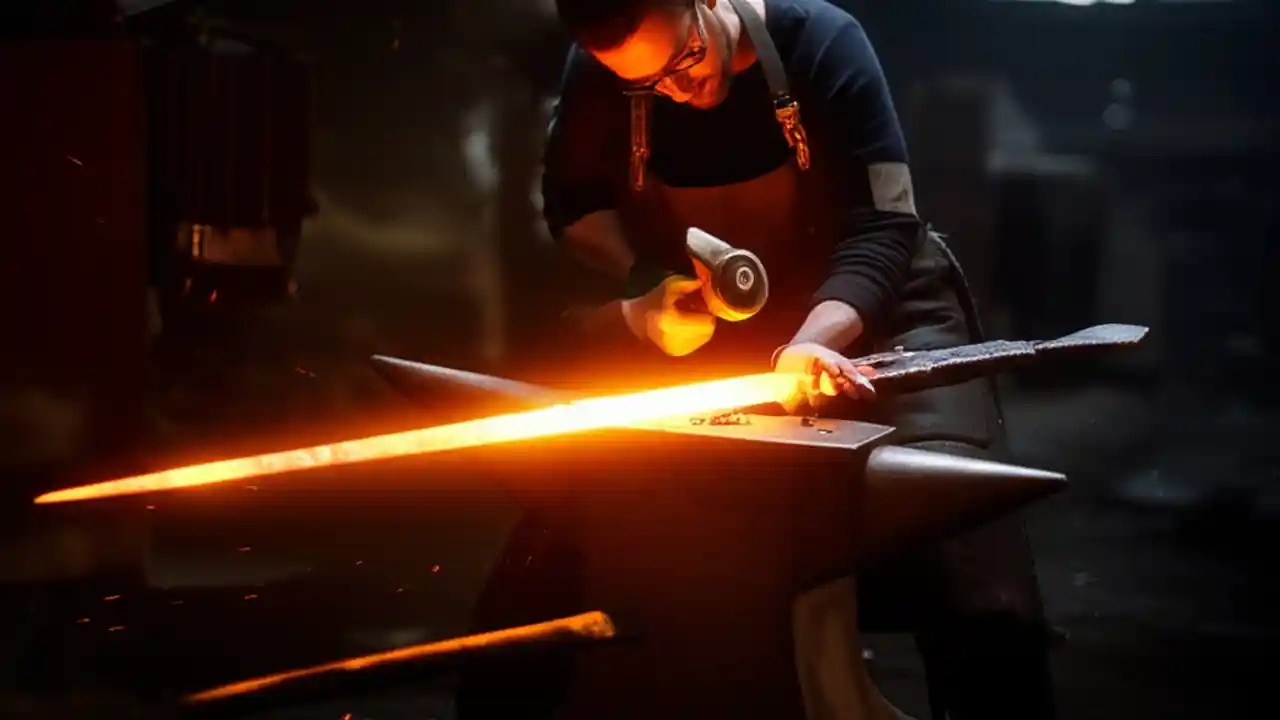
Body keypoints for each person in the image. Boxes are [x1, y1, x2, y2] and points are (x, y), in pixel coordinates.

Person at [458, 1, 1056, 718]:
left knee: (982, 597)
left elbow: (883, 225)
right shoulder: (604, 71)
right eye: (647, 87)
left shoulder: (824, 43)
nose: (677, 90)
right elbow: (572, 206)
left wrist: (812, 339)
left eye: (686, 60)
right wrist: (647, 285)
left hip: (877, 313)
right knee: (538, 586)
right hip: (715, 332)